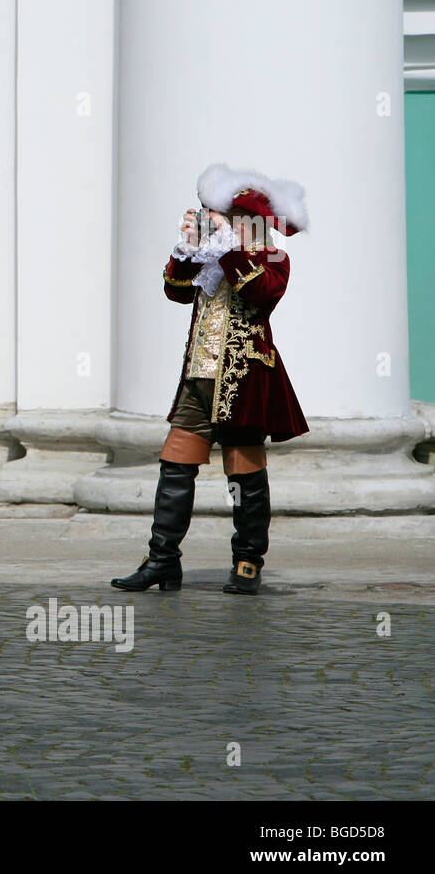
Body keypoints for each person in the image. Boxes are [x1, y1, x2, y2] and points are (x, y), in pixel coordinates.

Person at [111, 163, 310, 597]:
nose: (220, 224)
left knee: (244, 476)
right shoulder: (212, 258)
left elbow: (259, 292)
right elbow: (175, 290)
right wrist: (189, 245)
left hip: (244, 383)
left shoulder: (271, 259)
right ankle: (162, 560)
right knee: (175, 468)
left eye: (230, 218)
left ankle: (247, 560)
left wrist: (226, 245)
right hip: (197, 378)